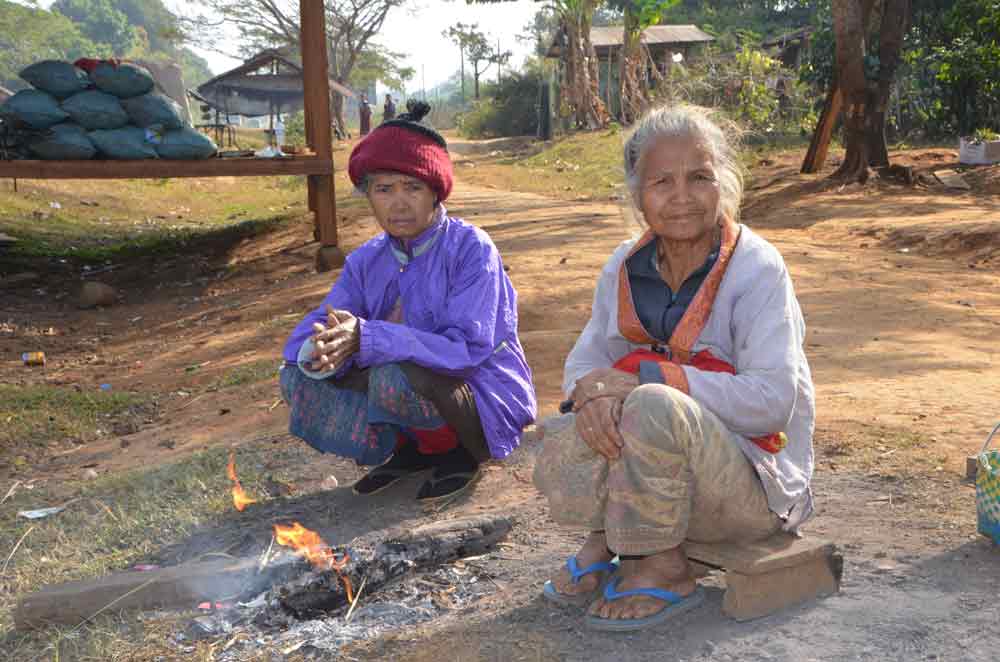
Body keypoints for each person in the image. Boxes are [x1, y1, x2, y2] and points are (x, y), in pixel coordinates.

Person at [533, 104, 815, 631]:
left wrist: (649, 379)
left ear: (724, 183)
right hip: (672, 474)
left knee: (651, 401)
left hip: (750, 490)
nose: (682, 195)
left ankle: (663, 564)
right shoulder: (623, 265)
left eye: (700, 177)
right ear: (636, 194)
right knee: (570, 416)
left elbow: (772, 401)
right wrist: (593, 392)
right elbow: (585, 362)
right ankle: (609, 537)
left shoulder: (757, 266)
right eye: (662, 180)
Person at [281, 100, 536, 501]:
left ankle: (459, 453)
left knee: (395, 373)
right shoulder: (367, 260)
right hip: (411, 386)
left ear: (435, 193)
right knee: (300, 371)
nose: (398, 203)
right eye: (384, 189)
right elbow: (311, 332)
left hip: (481, 394)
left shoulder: (472, 249)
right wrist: (327, 345)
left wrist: (370, 337)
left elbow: (465, 350)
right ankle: (410, 450)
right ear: (368, 195)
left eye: (413, 187)